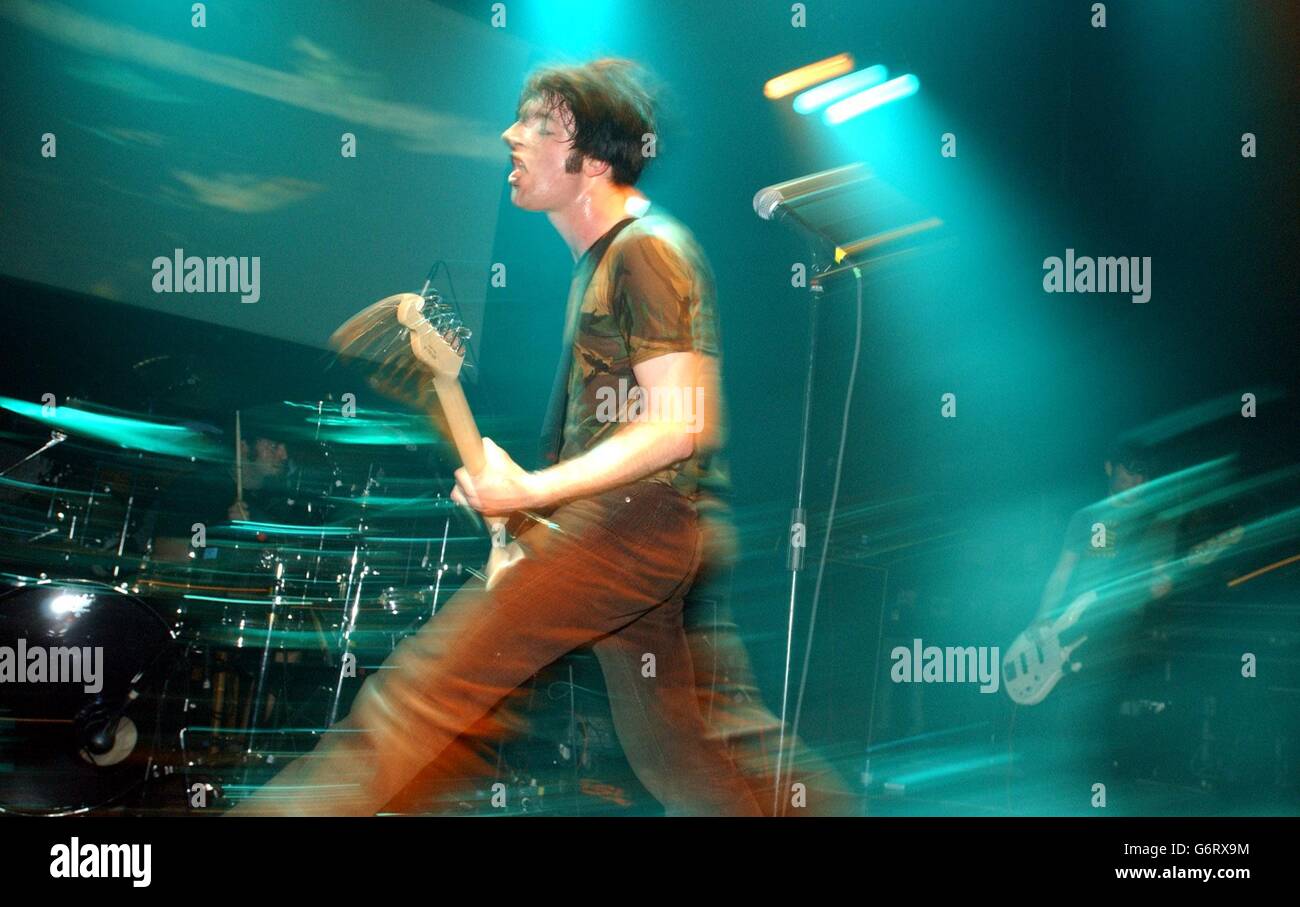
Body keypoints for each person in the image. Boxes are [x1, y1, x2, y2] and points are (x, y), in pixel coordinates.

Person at [231, 58, 765, 816]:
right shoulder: (602, 260)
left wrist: (535, 491)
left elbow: (680, 423)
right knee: (690, 757)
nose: (510, 135)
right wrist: (527, 505)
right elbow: (621, 425)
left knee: (423, 693)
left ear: (596, 160)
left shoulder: (647, 249)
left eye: (542, 126)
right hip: (638, 527)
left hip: (637, 525)